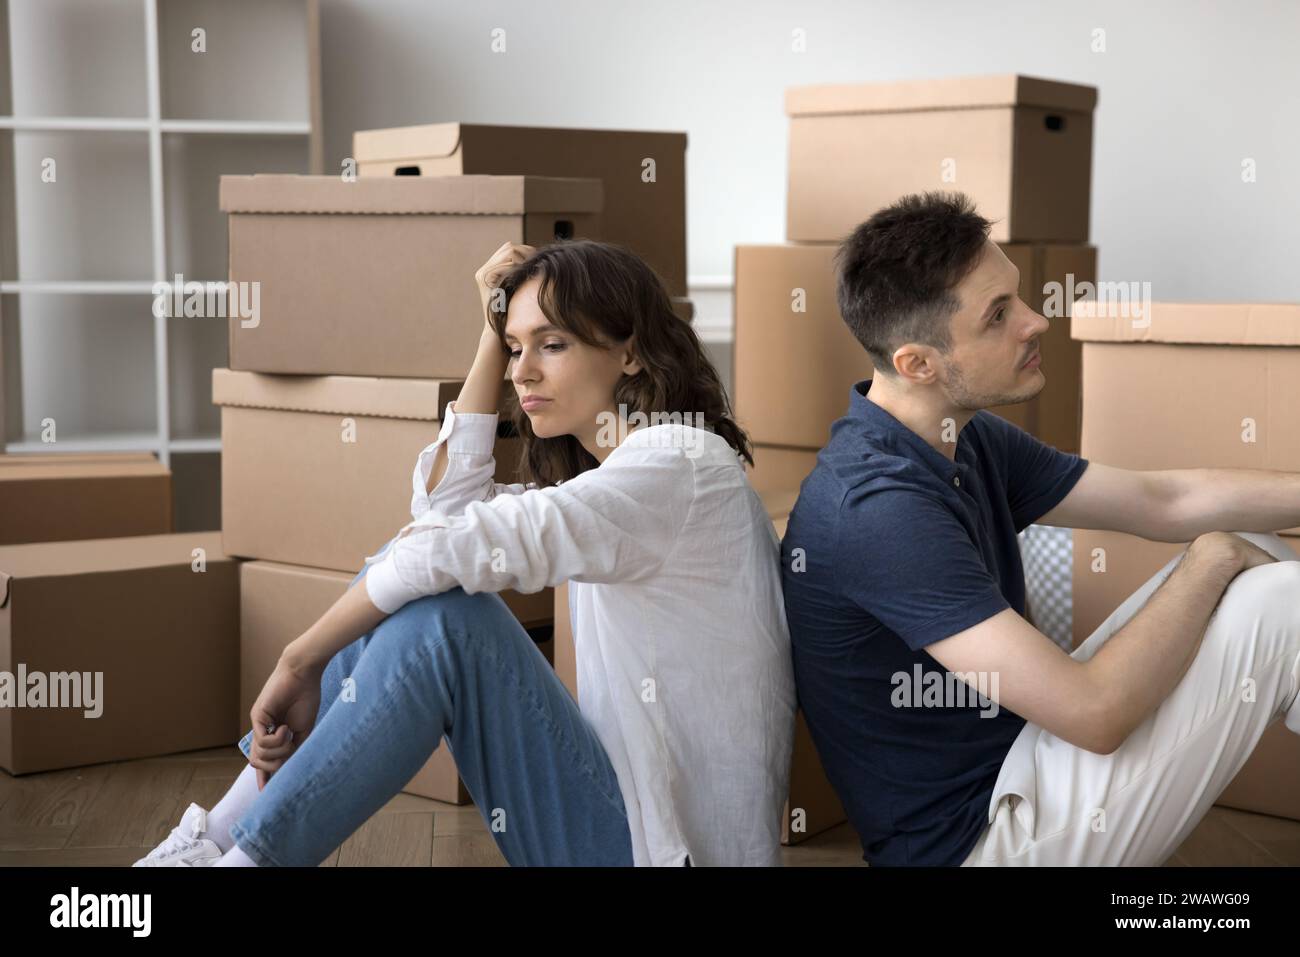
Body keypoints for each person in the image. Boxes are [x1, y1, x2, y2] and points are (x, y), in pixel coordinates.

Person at [135, 239, 795, 867]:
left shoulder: (681, 463)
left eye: (552, 344)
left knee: (446, 618)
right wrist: (488, 331)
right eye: (514, 347)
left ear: (629, 350)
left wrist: (299, 658)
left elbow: (445, 548)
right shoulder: (621, 477)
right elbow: (439, 519)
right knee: (420, 586)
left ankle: (239, 852)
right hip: (621, 825)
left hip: (662, 851)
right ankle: (218, 838)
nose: (521, 370)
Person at [780, 191, 1300, 866]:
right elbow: (1095, 713)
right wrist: (1208, 558)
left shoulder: (961, 436)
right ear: (918, 363)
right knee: (1275, 597)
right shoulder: (877, 510)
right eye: (999, 316)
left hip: (1021, 763)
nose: (1036, 322)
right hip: (977, 840)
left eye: (1018, 297)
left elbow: (1163, 498)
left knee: (1258, 546)